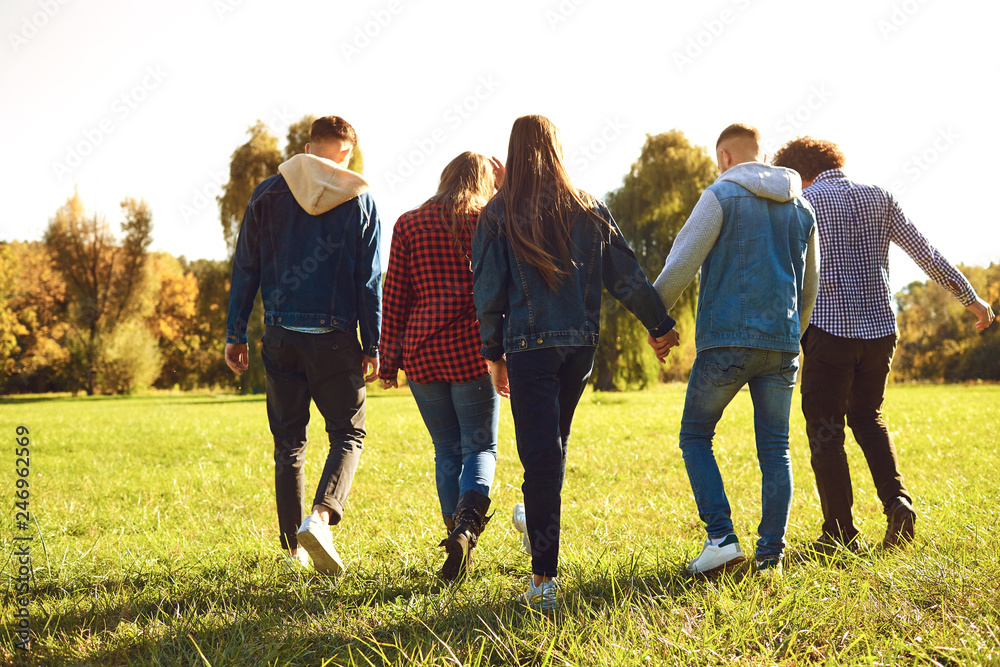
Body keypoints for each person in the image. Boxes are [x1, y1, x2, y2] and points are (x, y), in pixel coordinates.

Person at [472, 114, 678, 611]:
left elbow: (488, 294)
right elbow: (626, 276)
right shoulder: (588, 206)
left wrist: (493, 355)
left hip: (528, 349)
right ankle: (533, 521)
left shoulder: (497, 214)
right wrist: (659, 325)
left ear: (514, 153)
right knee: (552, 452)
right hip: (578, 349)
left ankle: (543, 581)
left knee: (542, 458)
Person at [772, 137, 995, 551]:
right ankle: (898, 503)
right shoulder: (881, 197)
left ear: (799, 173)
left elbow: (781, 273)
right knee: (868, 417)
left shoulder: (802, 204)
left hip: (828, 331)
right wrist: (971, 298)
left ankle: (838, 534)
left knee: (826, 431)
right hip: (879, 334)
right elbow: (925, 253)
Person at [652, 124, 819, 576]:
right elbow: (810, 288)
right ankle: (771, 557)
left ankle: (722, 539)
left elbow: (681, 262)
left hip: (726, 342)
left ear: (724, 156)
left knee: (695, 435)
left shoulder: (720, 195)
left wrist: (655, 318)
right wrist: (790, 336)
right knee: (776, 448)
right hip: (783, 345)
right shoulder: (802, 205)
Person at [224, 115, 381, 575]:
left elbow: (245, 268)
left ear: (309, 147)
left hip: (280, 337)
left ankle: (292, 552)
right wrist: (371, 343)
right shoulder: (360, 199)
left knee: (289, 444)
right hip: (334, 339)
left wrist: (236, 333)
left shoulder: (267, 192)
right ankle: (322, 517)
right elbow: (368, 282)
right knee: (348, 433)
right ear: (345, 153)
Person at [379, 152, 504, 581]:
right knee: (480, 448)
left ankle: (456, 535)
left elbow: (394, 296)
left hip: (422, 354)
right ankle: (467, 529)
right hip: (474, 351)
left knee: (446, 451)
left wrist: (388, 361)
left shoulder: (409, 223)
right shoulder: (490, 220)